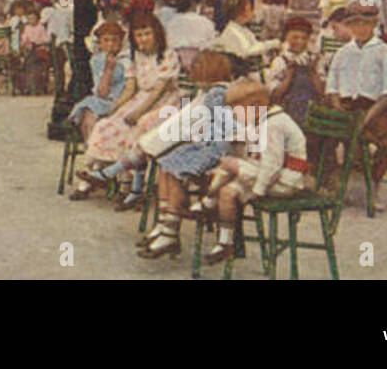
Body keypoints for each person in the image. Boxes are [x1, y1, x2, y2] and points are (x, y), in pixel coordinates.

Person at [137, 51, 268, 259]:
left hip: (219, 150)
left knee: (173, 168)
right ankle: (167, 226)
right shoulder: (215, 91)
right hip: (216, 145)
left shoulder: (216, 94)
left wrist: (236, 131)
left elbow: (225, 123)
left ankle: (169, 230)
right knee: (168, 164)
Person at [76, 12, 182, 210]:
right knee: (108, 124)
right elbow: (130, 88)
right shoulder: (135, 55)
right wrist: (114, 109)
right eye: (139, 35)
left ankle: (130, 185)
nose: (143, 39)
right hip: (140, 98)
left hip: (166, 104)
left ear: (157, 34)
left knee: (140, 126)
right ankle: (123, 183)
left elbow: (159, 91)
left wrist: (139, 112)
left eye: (147, 34)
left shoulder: (168, 54)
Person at [197, 96, 312, 264]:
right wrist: (228, 136)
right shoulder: (264, 120)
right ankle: (225, 242)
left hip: (284, 181)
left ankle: (207, 202)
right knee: (227, 192)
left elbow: (272, 166)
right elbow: (247, 134)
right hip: (267, 177)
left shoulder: (274, 125)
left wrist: (257, 191)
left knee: (229, 164)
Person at [322, 2, 387, 201]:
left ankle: (372, 183)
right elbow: (332, 87)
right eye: (354, 24)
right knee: (324, 135)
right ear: (348, 26)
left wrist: (367, 117)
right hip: (347, 107)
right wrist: (338, 109)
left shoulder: (385, 51)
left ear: (374, 24)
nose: (360, 29)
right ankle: (333, 182)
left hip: (376, 108)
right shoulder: (342, 53)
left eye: (365, 24)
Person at [65, 22, 131, 200]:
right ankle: (93, 167)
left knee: (105, 121)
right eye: (106, 41)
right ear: (100, 43)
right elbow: (102, 91)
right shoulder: (97, 60)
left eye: (114, 41)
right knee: (90, 114)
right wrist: (108, 69)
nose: (110, 45)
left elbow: (130, 89)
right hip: (103, 99)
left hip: (123, 101)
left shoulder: (127, 60)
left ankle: (95, 173)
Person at [265, 16, 324, 129]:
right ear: (286, 37)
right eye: (295, 37)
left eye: (304, 38)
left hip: (311, 111)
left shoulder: (314, 60)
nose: (300, 42)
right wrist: (288, 77)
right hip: (287, 110)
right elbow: (274, 95)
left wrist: (313, 73)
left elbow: (321, 92)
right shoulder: (280, 61)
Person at [211, 0, 279, 76]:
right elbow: (248, 51)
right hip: (244, 74)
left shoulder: (243, 30)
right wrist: (272, 44)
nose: (253, 12)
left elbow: (256, 45)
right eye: (250, 9)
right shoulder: (232, 32)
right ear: (241, 13)